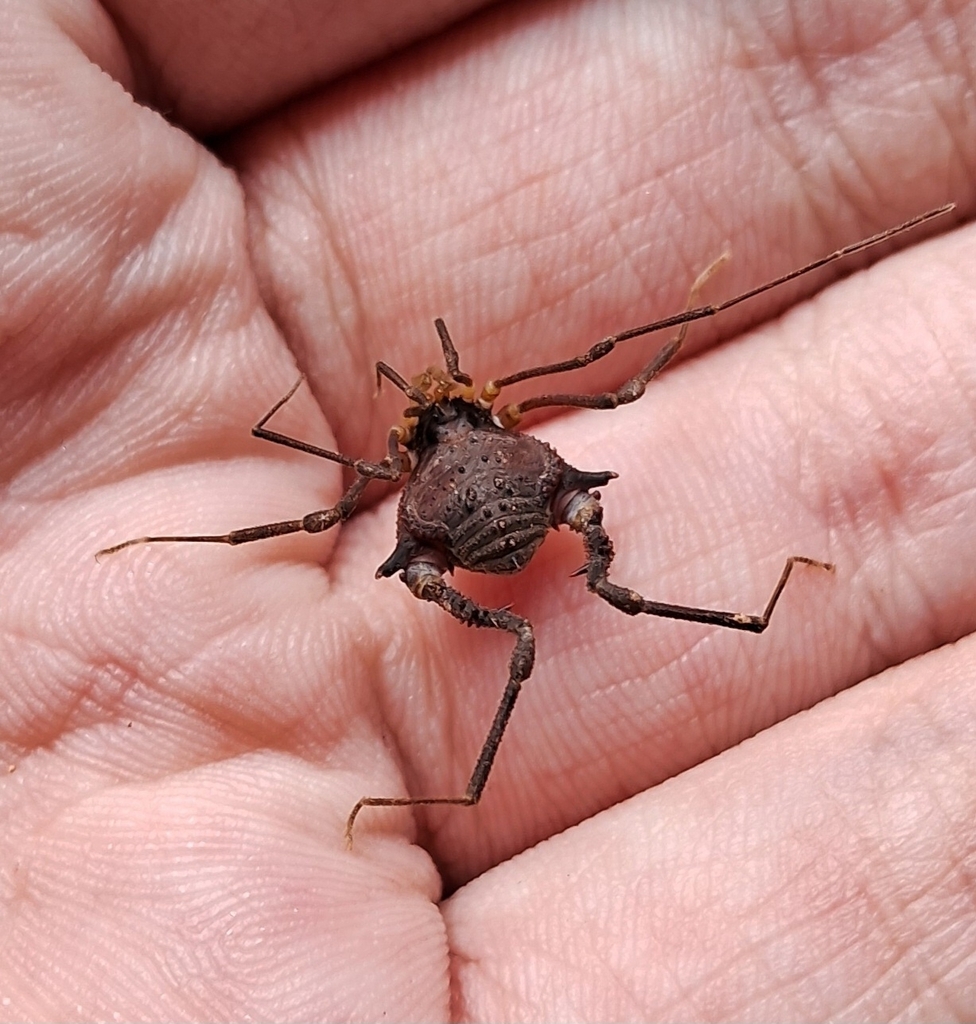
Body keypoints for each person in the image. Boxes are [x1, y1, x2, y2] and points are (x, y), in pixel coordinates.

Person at [1, 0, 973, 1018]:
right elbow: (602, 387)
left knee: (588, 448)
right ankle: (661, 617)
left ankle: (584, 656)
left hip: (488, 507)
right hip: (500, 495)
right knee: (608, 481)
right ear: (458, 405)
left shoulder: (423, 459)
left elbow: (343, 506)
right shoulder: (471, 435)